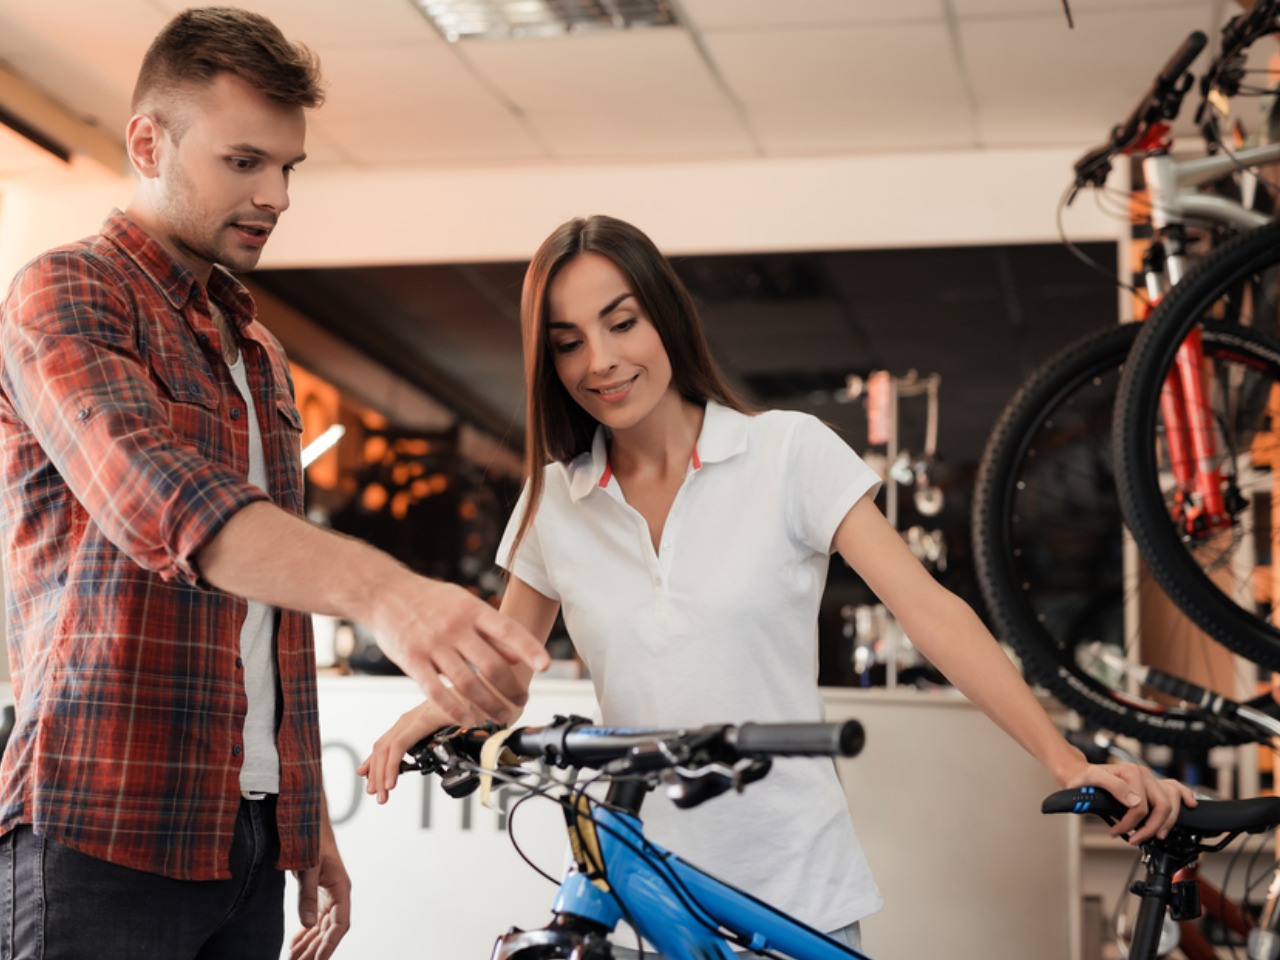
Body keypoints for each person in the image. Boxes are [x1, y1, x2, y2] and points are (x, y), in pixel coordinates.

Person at [359, 214, 1195, 947]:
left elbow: (928, 611)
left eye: (622, 323)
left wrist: (1063, 759)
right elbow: (506, 674)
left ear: (667, 320)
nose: (600, 361)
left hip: (793, 885)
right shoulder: (555, 504)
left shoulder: (785, 452)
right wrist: (427, 714)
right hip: (640, 882)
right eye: (569, 341)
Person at [0, 8, 547, 960]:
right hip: (100, 828)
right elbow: (164, 504)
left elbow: (273, 625)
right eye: (244, 161)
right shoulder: (68, 293)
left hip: (244, 840)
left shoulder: (257, 352)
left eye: (289, 167)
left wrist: (304, 822)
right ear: (147, 141)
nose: (277, 194)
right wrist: (390, 594)